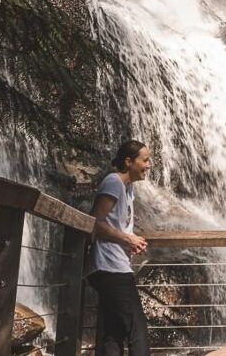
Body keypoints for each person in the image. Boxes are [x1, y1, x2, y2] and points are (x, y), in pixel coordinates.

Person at [89, 140, 152, 356]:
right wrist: (127, 239)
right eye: (145, 160)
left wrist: (131, 238)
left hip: (111, 266)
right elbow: (96, 222)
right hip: (110, 267)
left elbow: (115, 223)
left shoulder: (128, 188)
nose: (149, 165)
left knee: (113, 333)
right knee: (137, 330)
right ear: (128, 161)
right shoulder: (113, 182)